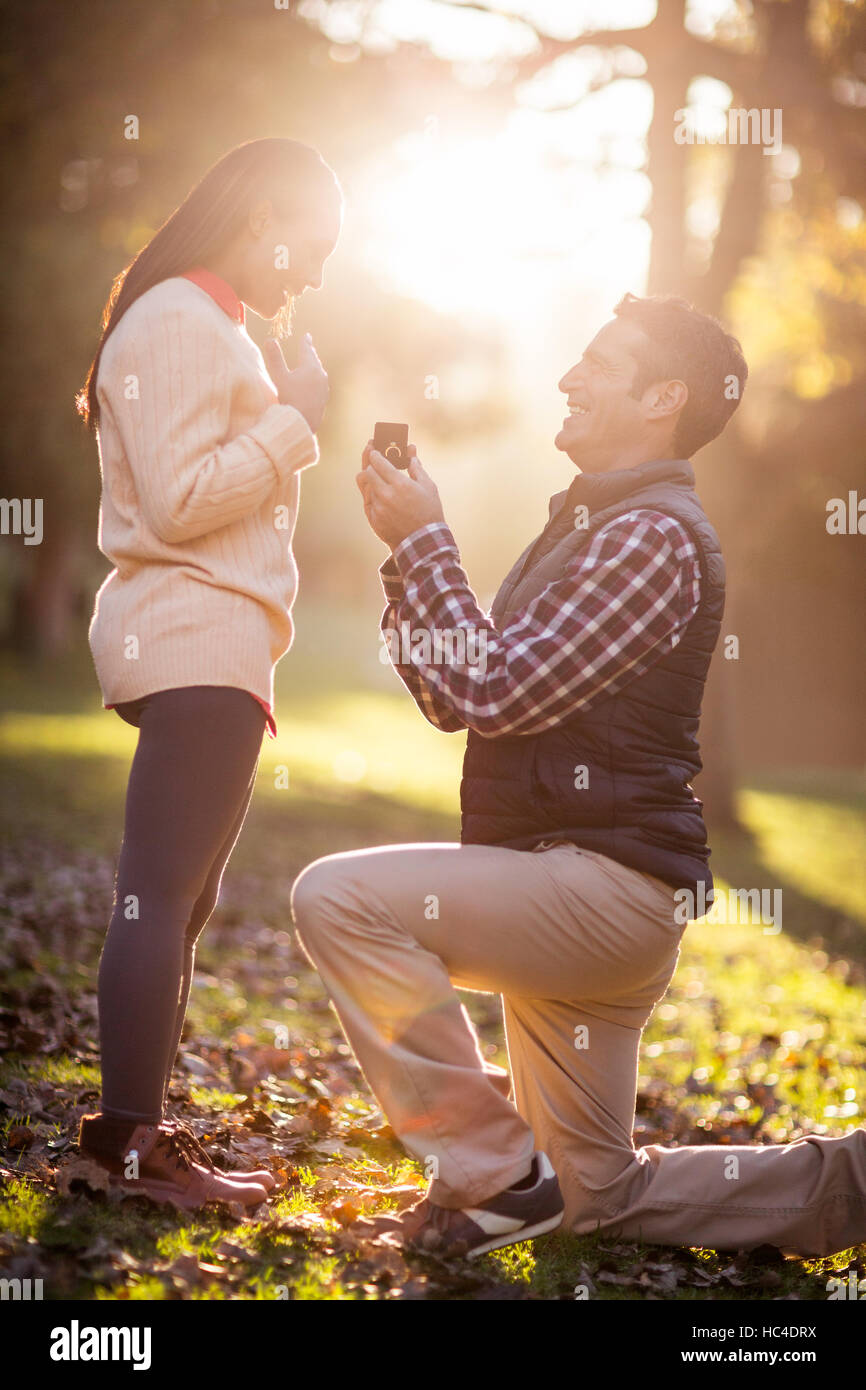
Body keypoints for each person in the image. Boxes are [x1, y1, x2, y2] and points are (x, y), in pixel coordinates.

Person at [292, 293, 866, 1259]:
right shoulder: (595, 528)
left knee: (336, 898)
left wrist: (428, 541)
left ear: (663, 398)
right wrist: (408, 558)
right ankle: (848, 1187)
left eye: (599, 363)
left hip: (599, 892)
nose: (568, 378)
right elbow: (455, 695)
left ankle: (493, 1170)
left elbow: (496, 690)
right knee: (594, 1195)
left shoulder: (652, 538)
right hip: (572, 889)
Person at [74, 137, 342, 1209]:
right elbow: (182, 500)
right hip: (193, 637)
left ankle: (141, 1135)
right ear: (258, 216)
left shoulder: (209, 321)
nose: (314, 273)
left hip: (217, 643)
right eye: (309, 246)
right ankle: (129, 1149)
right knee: (156, 899)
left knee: (178, 903)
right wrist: (295, 422)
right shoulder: (180, 320)